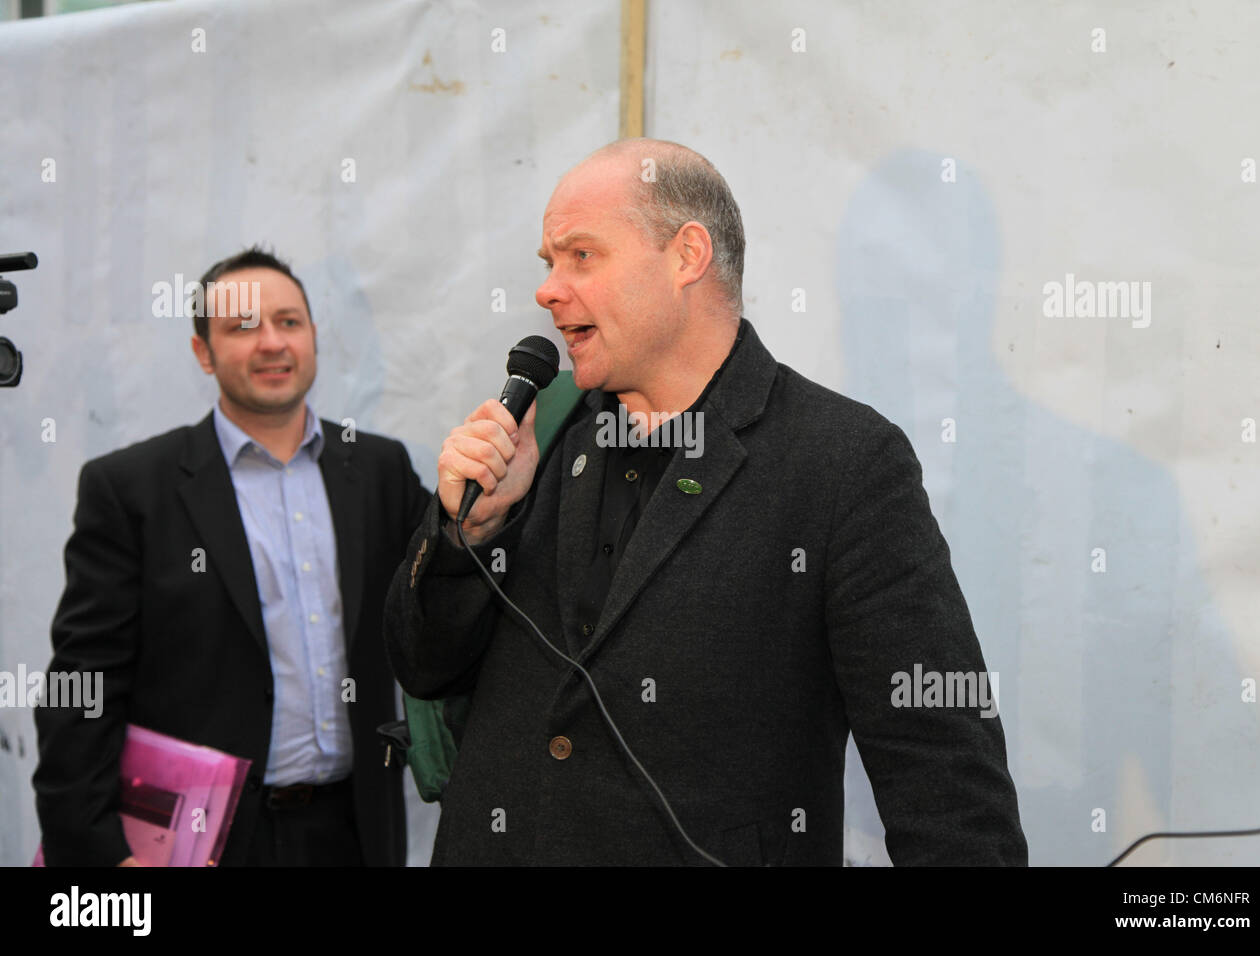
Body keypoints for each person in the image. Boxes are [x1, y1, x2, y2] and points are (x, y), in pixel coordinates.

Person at [385, 140, 1028, 865]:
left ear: (687, 255)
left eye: (581, 256)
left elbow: (940, 758)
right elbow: (423, 667)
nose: (547, 290)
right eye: (548, 263)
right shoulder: (542, 425)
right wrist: (476, 527)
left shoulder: (843, 461)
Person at [34, 247, 430, 866]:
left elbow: (453, 595)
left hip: (355, 831)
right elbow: (82, 684)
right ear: (203, 352)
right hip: (200, 842)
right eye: (242, 327)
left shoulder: (380, 471)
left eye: (289, 322)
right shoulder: (132, 489)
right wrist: (101, 854)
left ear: (314, 338)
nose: (271, 343)